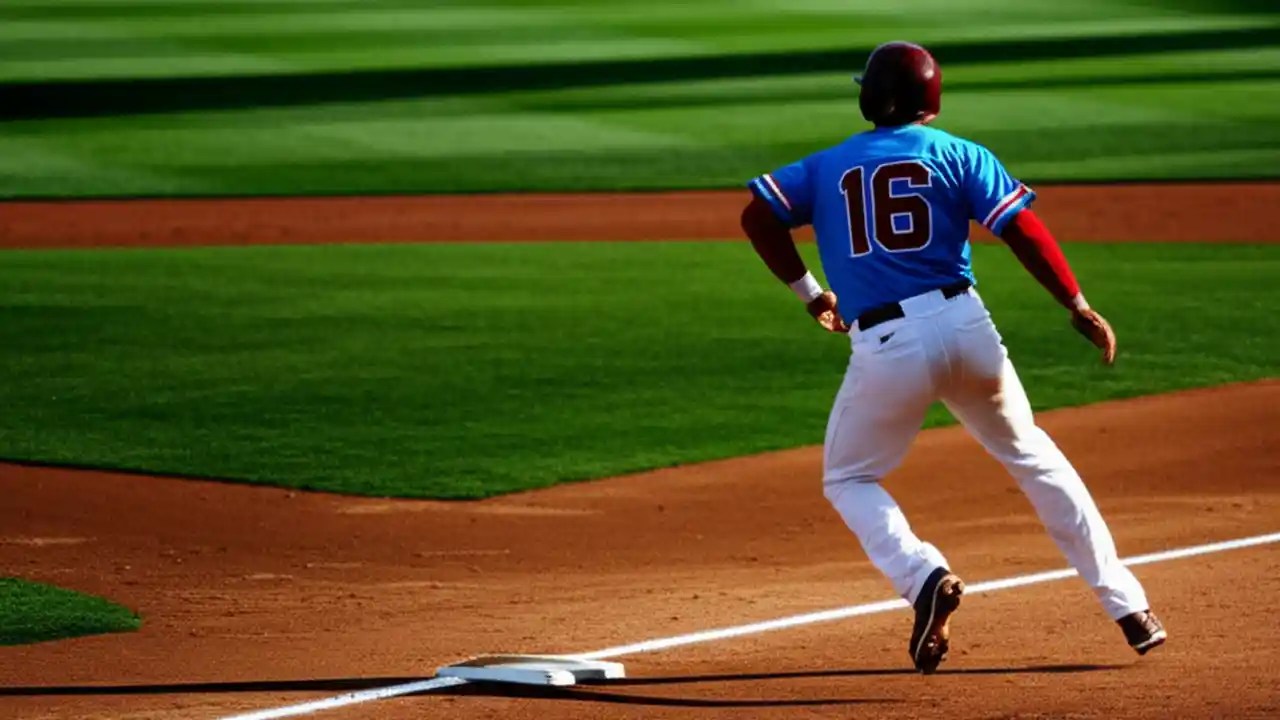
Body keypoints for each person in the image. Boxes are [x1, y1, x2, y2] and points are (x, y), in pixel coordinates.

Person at [739, 41, 1165, 674]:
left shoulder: (826, 167)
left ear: (869, 97)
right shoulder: (960, 154)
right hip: (968, 329)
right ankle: (1129, 607)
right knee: (1034, 456)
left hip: (887, 346)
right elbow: (1020, 228)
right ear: (931, 104)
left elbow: (759, 218)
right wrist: (1075, 303)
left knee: (848, 478)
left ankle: (923, 576)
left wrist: (812, 295)